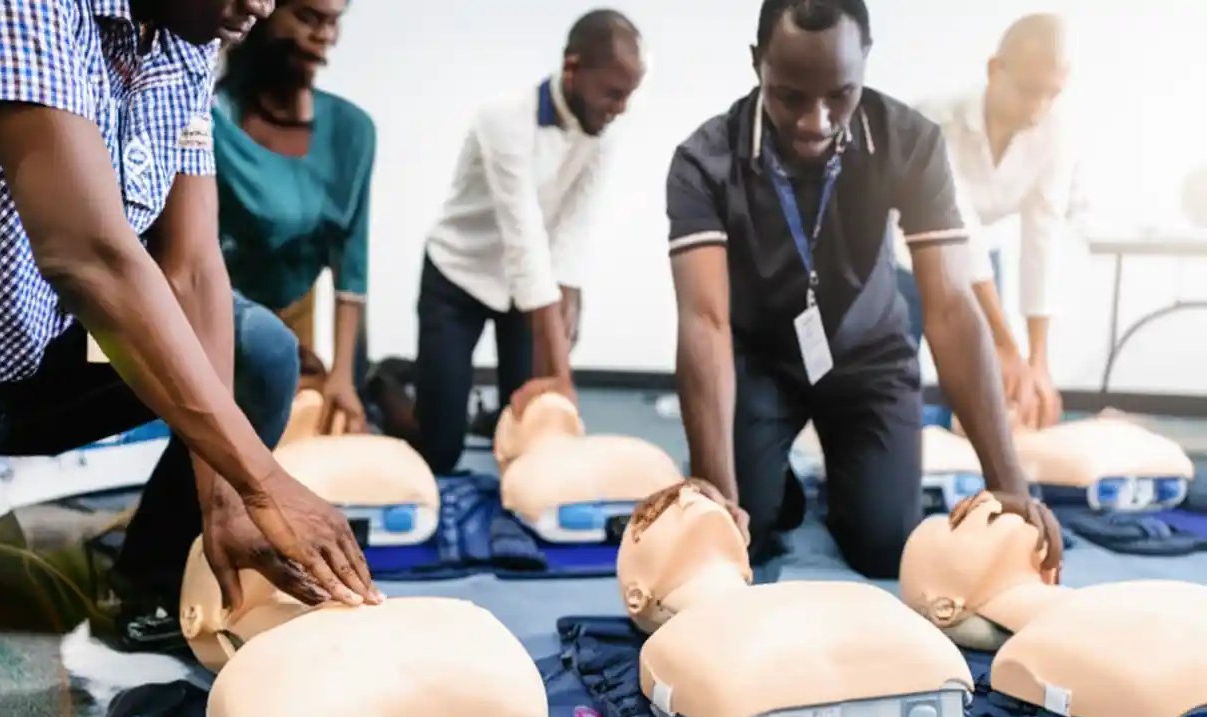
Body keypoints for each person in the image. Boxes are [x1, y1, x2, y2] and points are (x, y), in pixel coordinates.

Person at [0, 0, 383, 715]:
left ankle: (142, 587)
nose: (261, 7)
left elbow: (193, 269)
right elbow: (87, 254)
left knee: (257, 348)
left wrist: (226, 495)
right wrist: (264, 479)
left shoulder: (186, 36)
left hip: (44, 349)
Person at [665, 0, 1063, 580]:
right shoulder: (704, 161)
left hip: (868, 356)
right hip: (761, 362)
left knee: (885, 546)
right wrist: (718, 501)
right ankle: (775, 489)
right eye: (790, 96)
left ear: (865, 65)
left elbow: (951, 307)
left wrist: (1009, 486)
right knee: (743, 529)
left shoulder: (911, 141)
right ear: (758, 64)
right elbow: (705, 321)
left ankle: (848, 481)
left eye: (838, 95)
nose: (815, 122)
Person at [411, 9, 646, 474]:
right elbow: (525, 239)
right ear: (572, 69)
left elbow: (574, 228)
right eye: (614, 93)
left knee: (531, 430)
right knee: (439, 450)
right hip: (458, 277)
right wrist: (562, 374)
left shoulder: (604, 132)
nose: (621, 108)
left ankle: (485, 415)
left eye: (629, 96)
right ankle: (387, 386)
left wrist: (570, 299)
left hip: (523, 294)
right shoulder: (503, 118)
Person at [898, 13, 1072, 430]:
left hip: (980, 262)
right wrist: (1006, 342)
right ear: (995, 70)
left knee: (982, 378)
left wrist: (1037, 361)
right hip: (903, 259)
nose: (1039, 108)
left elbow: (1041, 241)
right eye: (1030, 92)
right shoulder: (933, 122)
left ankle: (966, 471)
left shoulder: (1056, 132)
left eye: (1052, 94)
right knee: (896, 376)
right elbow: (962, 230)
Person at [214, 0, 377, 435]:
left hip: (298, 304)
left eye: (333, 21)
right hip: (220, 305)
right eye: (307, 18)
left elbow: (352, 264)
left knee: (317, 417)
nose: (324, 35)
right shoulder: (214, 120)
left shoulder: (353, 131)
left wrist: (342, 375)